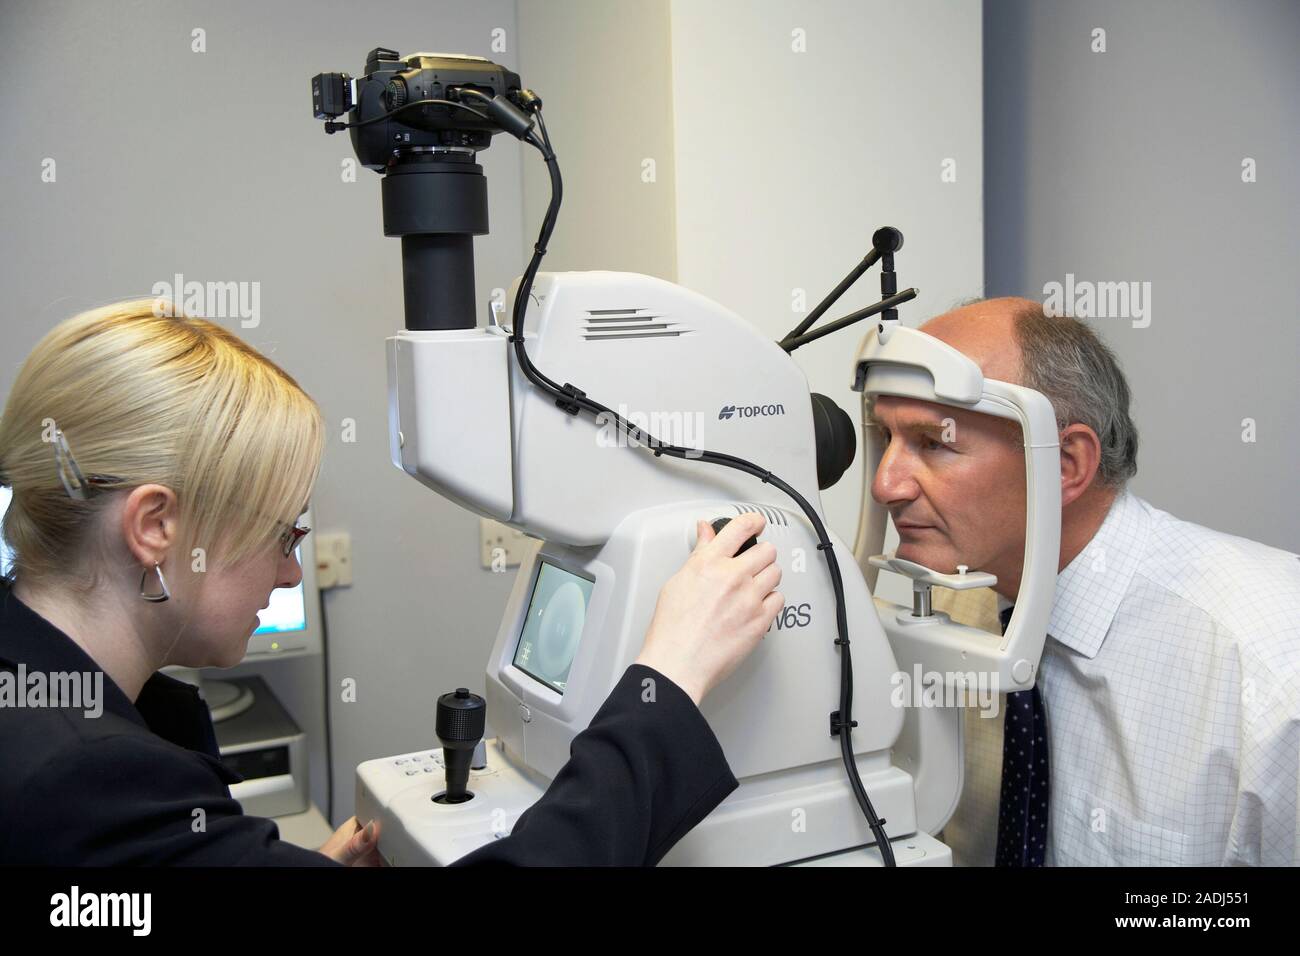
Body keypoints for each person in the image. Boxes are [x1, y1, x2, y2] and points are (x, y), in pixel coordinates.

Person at [0, 298, 783, 866]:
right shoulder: (83, 780)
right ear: (153, 527)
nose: (287, 569)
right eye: (281, 534)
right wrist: (670, 678)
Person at [868, 296, 1299, 866]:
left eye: (932, 443)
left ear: (1065, 463)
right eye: (886, 439)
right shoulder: (949, 618)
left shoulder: (1267, 664)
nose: (886, 484)